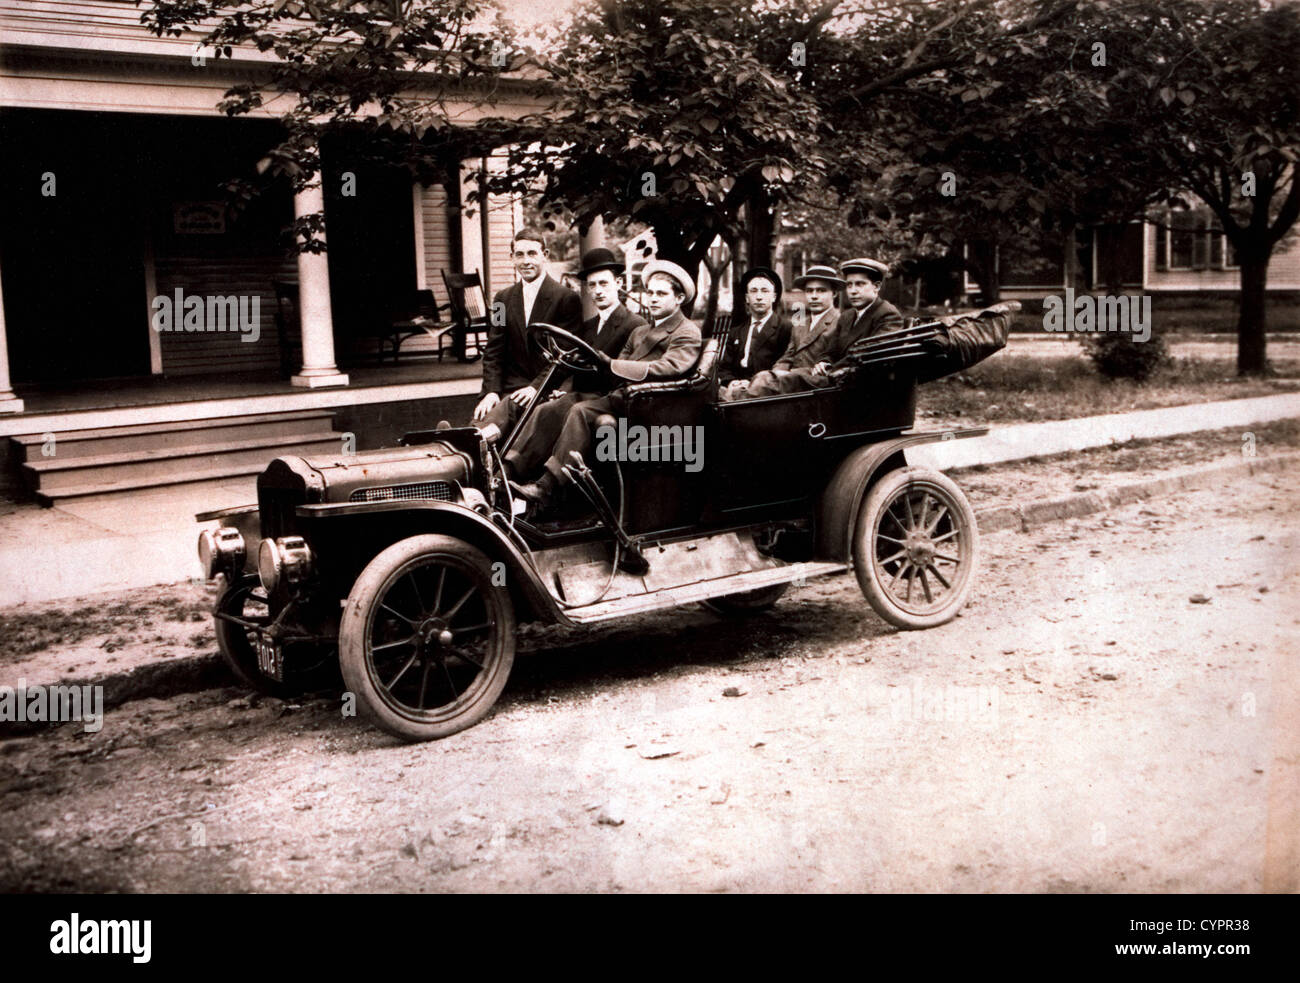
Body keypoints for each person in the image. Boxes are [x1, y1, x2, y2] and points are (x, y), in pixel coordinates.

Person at [508, 259, 702, 511]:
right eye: (651, 293)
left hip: (653, 406)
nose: (653, 299)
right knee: (557, 405)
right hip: (623, 397)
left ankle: (547, 486)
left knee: (580, 410)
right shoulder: (640, 333)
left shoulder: (686, 332)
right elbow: (617, 367)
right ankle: (510, 469)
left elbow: (669, 368)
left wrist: (609, 363)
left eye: (661, 294)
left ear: (678, 298)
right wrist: (593, 361)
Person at [498, 247, 647, 451]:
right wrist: (564, 389)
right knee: (527, 407)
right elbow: (493, 345)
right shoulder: (589, 325)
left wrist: (568, 389)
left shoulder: (633, 324)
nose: (598, 291)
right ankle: (490, 454)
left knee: (549, 411)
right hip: (557, 389)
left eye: (603, 283)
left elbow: (625, 371)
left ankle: (513, 468)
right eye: (592, 285)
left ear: (618, 283)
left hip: (600, 396)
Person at [473, 228, 582, 433]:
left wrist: (535, 387)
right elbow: (493, 351)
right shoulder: (501, 299)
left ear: (545, 256)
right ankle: (470, 442)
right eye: (519, 254)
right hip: (508, 386)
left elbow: (566, 355)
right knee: (486, 409)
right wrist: (491, 391)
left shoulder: (567, 298)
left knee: (502, 416)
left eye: (532, 253)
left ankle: (474, 439)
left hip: (546, 386)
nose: (526, 261)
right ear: (511, 258)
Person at [719, 264, 844, 400]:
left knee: (762, 380)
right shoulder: (800, 323)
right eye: (809, 291)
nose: (814, 296)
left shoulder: (841, 321)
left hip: (817, 384)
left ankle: (731, 402)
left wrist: (773, 377)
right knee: (762, 379)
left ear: (834, 293)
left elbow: (838, 358)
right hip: (792, 382)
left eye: (821, 291)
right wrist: (776, 372)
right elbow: (788, 356)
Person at [717, 266, 793, 386]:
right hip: (735, 389)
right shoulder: (737, 331)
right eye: (753, 291)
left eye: (764, 291)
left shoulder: (785, 328)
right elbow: (723, 368)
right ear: (747, 298)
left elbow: (785, 366)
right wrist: (731, 382)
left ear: (774, 297)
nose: (759, 297)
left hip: (766, 392)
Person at [836, 257, 904, 348]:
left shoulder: (888, 315)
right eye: (849, 285)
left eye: (859, 284)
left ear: (876, 286)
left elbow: (867, 354)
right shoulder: (846, 316)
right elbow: (830, 351)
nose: (853, 291)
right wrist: (823, 362)